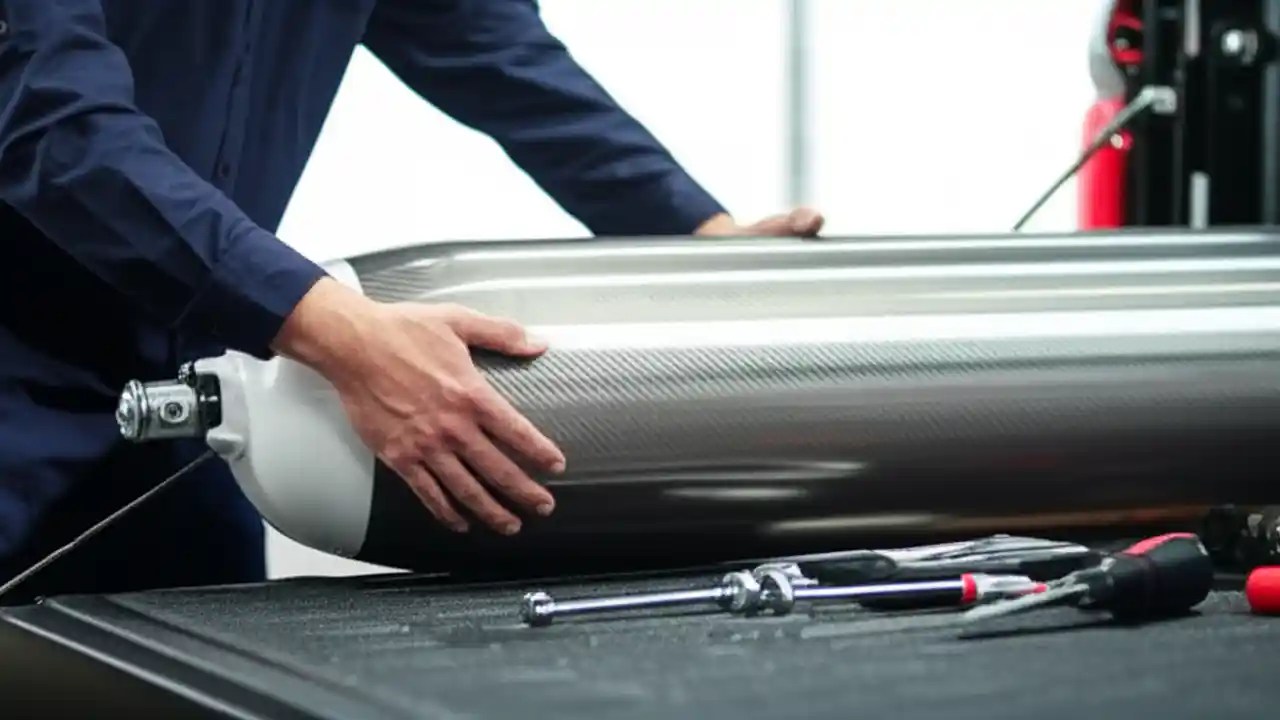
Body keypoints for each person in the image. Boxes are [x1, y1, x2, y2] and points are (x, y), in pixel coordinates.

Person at [0, 0, 824, 602]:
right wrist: (341, 333)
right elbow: (58, 130)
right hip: (18, 376)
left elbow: (504, 61)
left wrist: (703, 234)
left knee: (185, 678)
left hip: (189, 390)